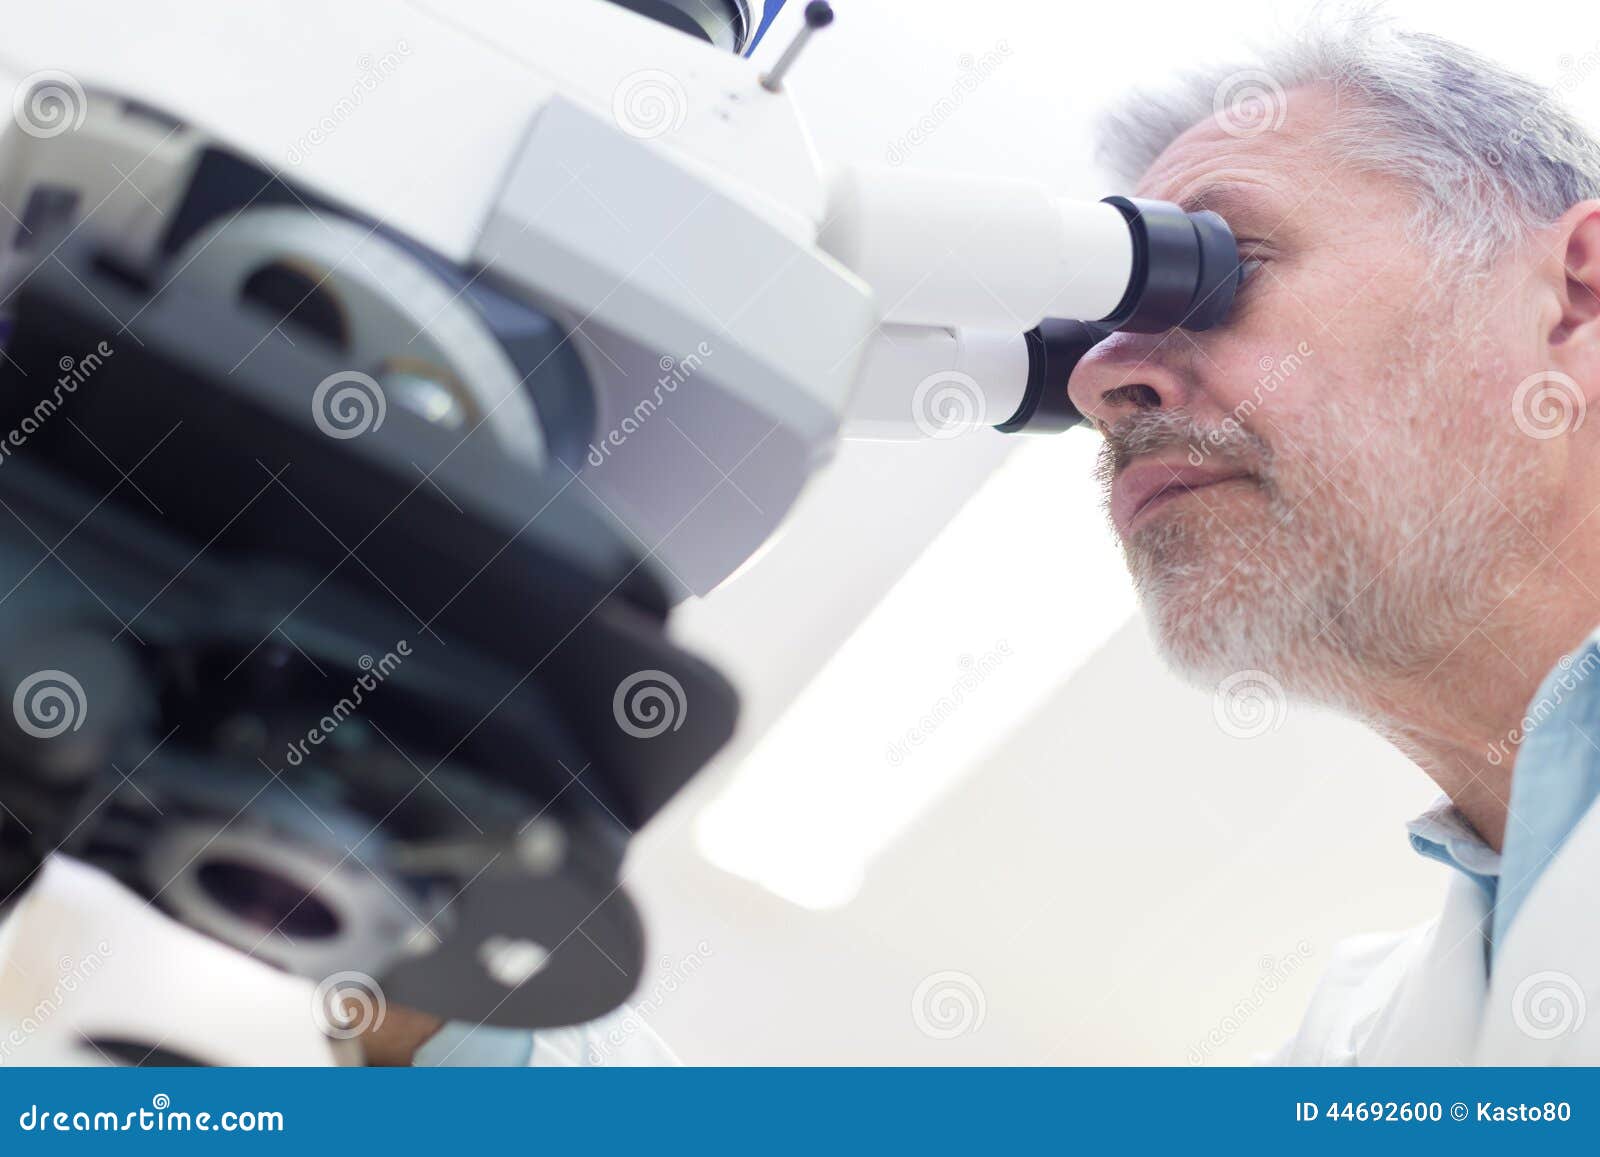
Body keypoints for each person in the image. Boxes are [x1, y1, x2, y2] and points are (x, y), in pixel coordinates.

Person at [1067, 10, 1600, 1063]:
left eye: (1215, 269)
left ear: (1574, 299)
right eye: (1100, 327)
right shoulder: (1347, 1062)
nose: (1096, 382)